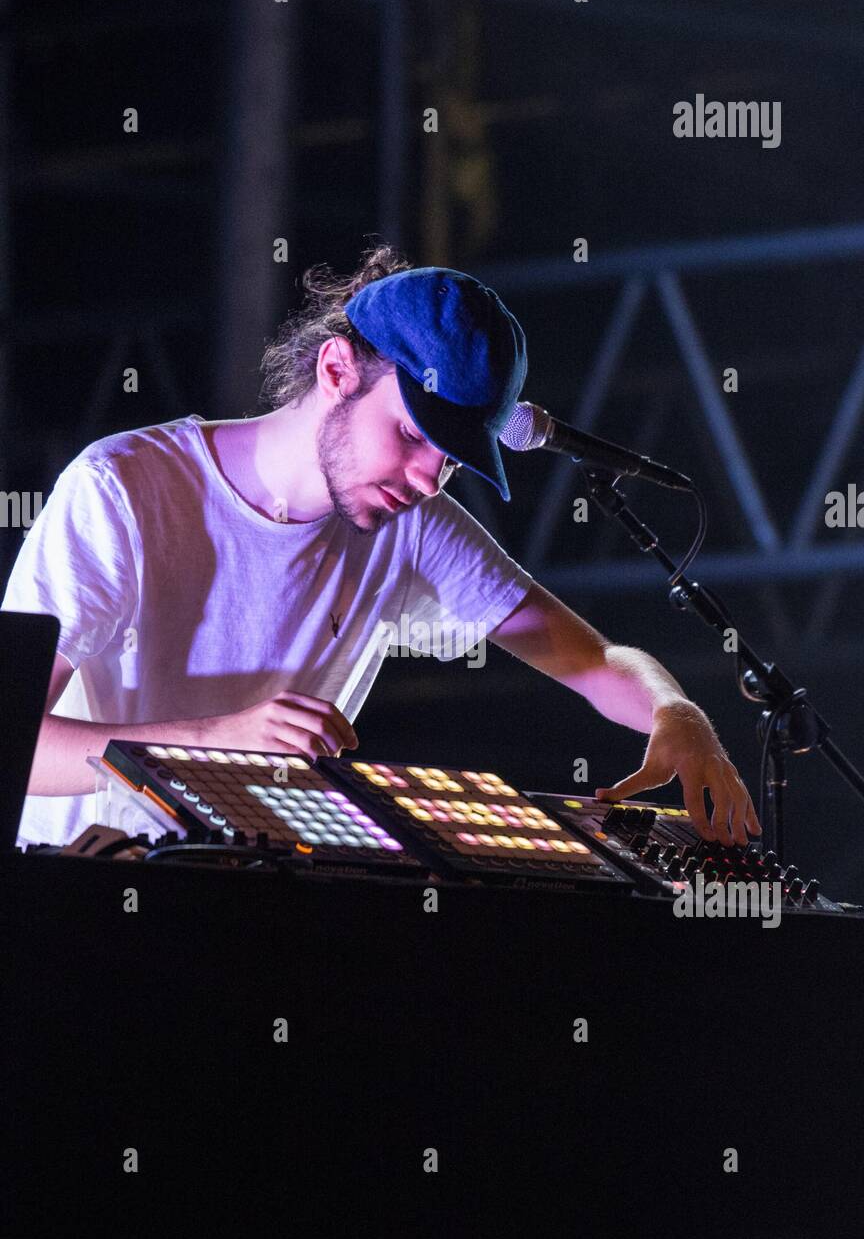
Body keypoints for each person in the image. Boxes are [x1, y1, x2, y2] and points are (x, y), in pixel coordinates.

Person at [1, 243, 760, 849]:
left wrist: (677, 712)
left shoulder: (412, 526)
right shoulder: (123, 492)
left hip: (238, 910)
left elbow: (593, 661)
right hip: (80, 897)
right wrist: (214, 744)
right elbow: (14, 749)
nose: (430, 480)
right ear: (336, 371)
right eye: (410, 435)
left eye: (454, 459)